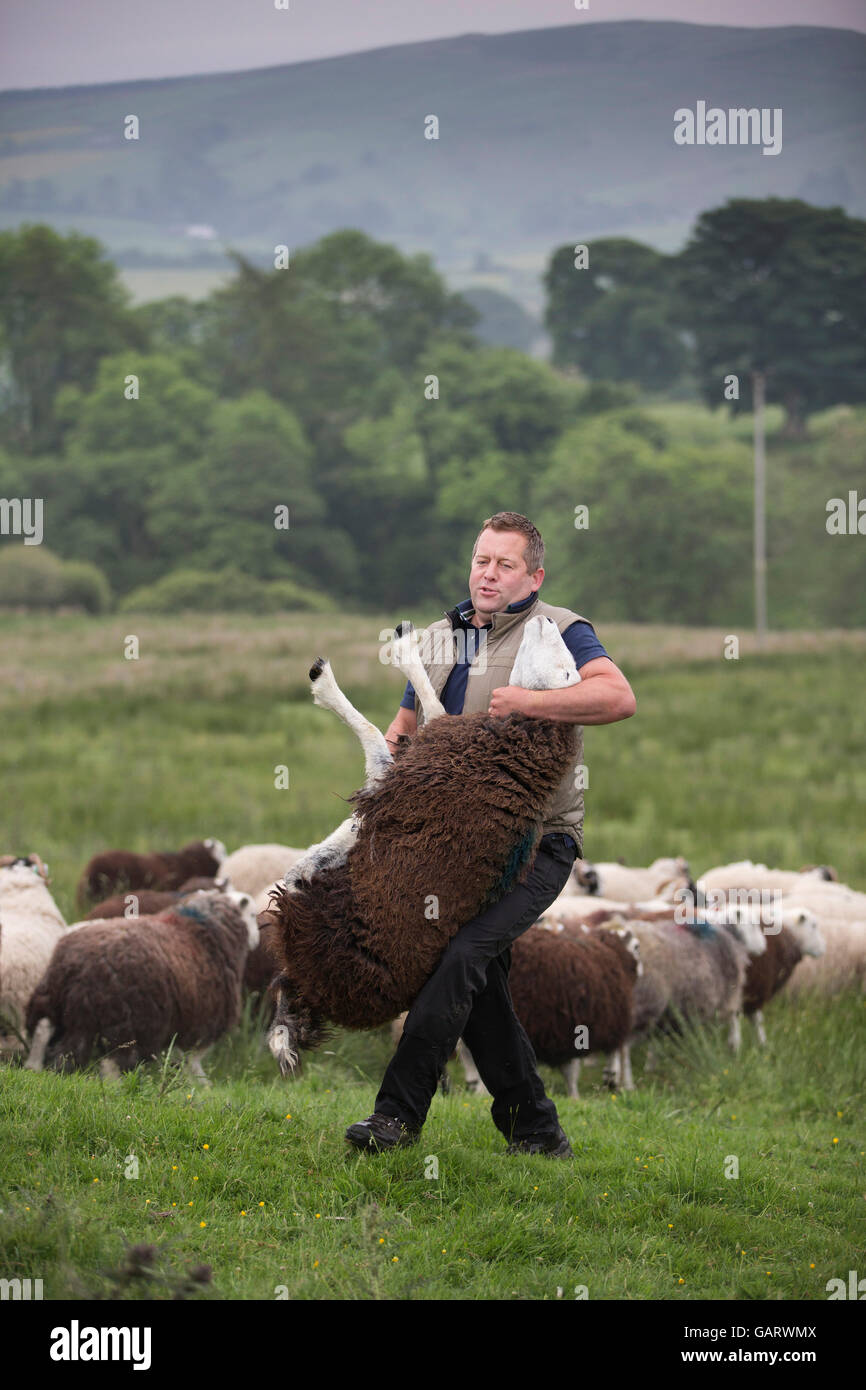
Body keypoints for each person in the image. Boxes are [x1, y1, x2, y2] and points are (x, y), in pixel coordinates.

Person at [345, 512, 636, 1156]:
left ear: (534, 575)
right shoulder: (443, 638)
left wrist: (528, 702)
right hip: (455, 852)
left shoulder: (562, 631)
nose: (488, 574)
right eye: (481, 560)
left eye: (505, 564)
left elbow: (617, 699)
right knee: (479, 984)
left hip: (537, 843)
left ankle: (395, 1118)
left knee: (458, 958)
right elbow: (405, 727)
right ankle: (535, 1130)